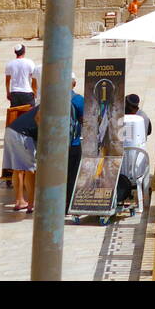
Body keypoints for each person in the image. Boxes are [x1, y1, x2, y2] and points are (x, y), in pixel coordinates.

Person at [5, 104, 40, 213]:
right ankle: (31, 203)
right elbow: (38, 118)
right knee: (30, 169)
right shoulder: (49, 104)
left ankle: (19, 201)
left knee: (18, 168)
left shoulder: (42, 104)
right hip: (24, 134)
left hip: (11, 130)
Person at [66, 76, 85, 209]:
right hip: (73, 143)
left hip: (55, 145)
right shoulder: (78, 100)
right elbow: (85, 119)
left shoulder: (51, 98)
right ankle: (69, 204)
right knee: (72, 175)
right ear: (74, 84)